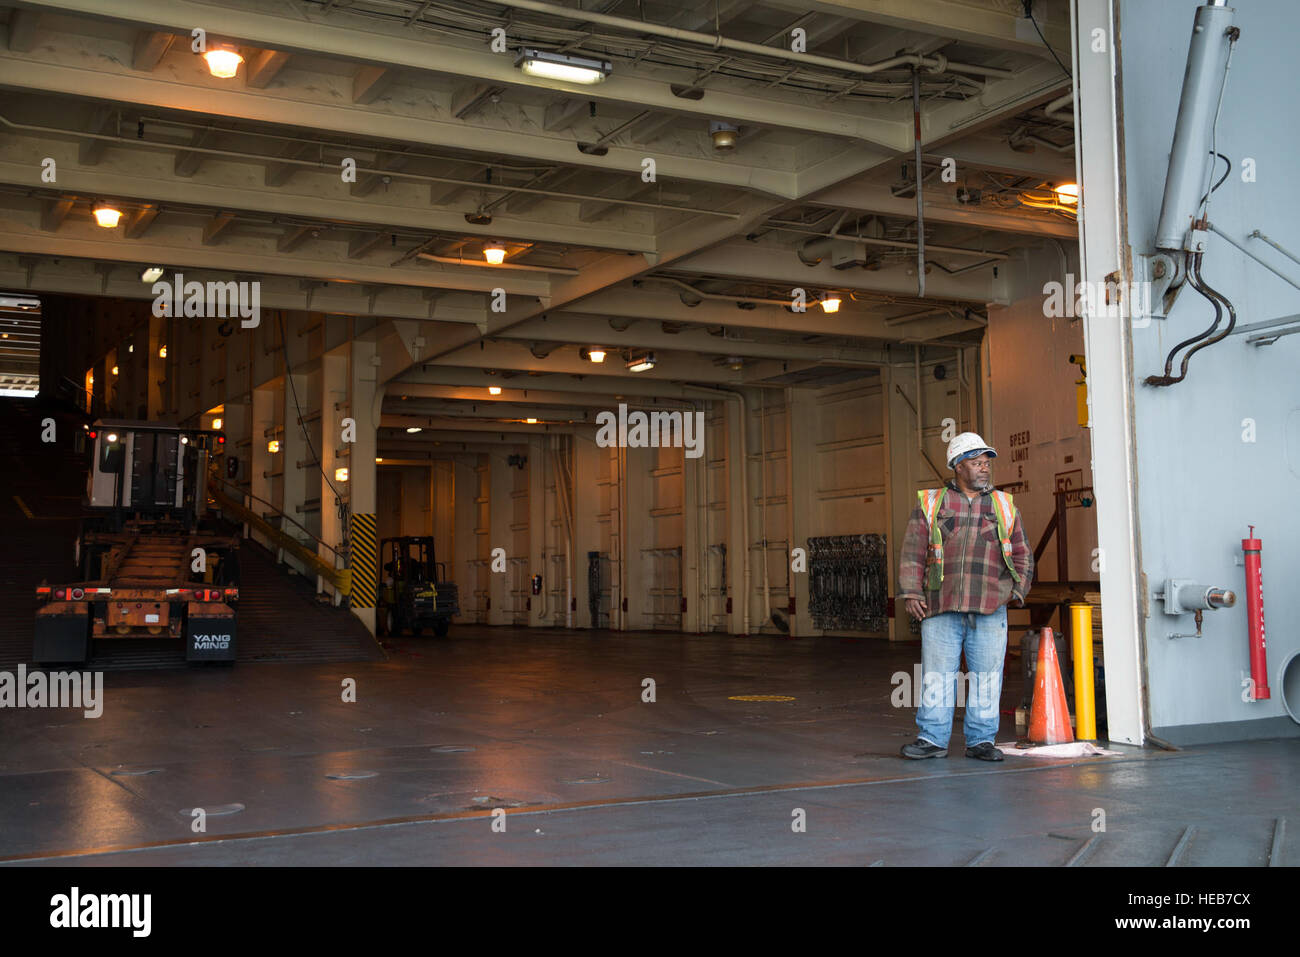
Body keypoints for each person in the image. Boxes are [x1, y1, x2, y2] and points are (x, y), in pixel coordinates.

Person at [895, 432, 1034, 762]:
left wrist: (1016, 591)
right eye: (976, 463)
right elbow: (913, 551)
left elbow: (1022, 553)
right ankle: (932, 739)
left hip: (989, 607)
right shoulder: (932, 504)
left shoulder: (1003, 505)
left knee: (987, 677)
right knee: (937, 677)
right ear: (957, 467)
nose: (984, 468)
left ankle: (981, 741)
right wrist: (911, 592)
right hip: (940, 605)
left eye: (986, 463)